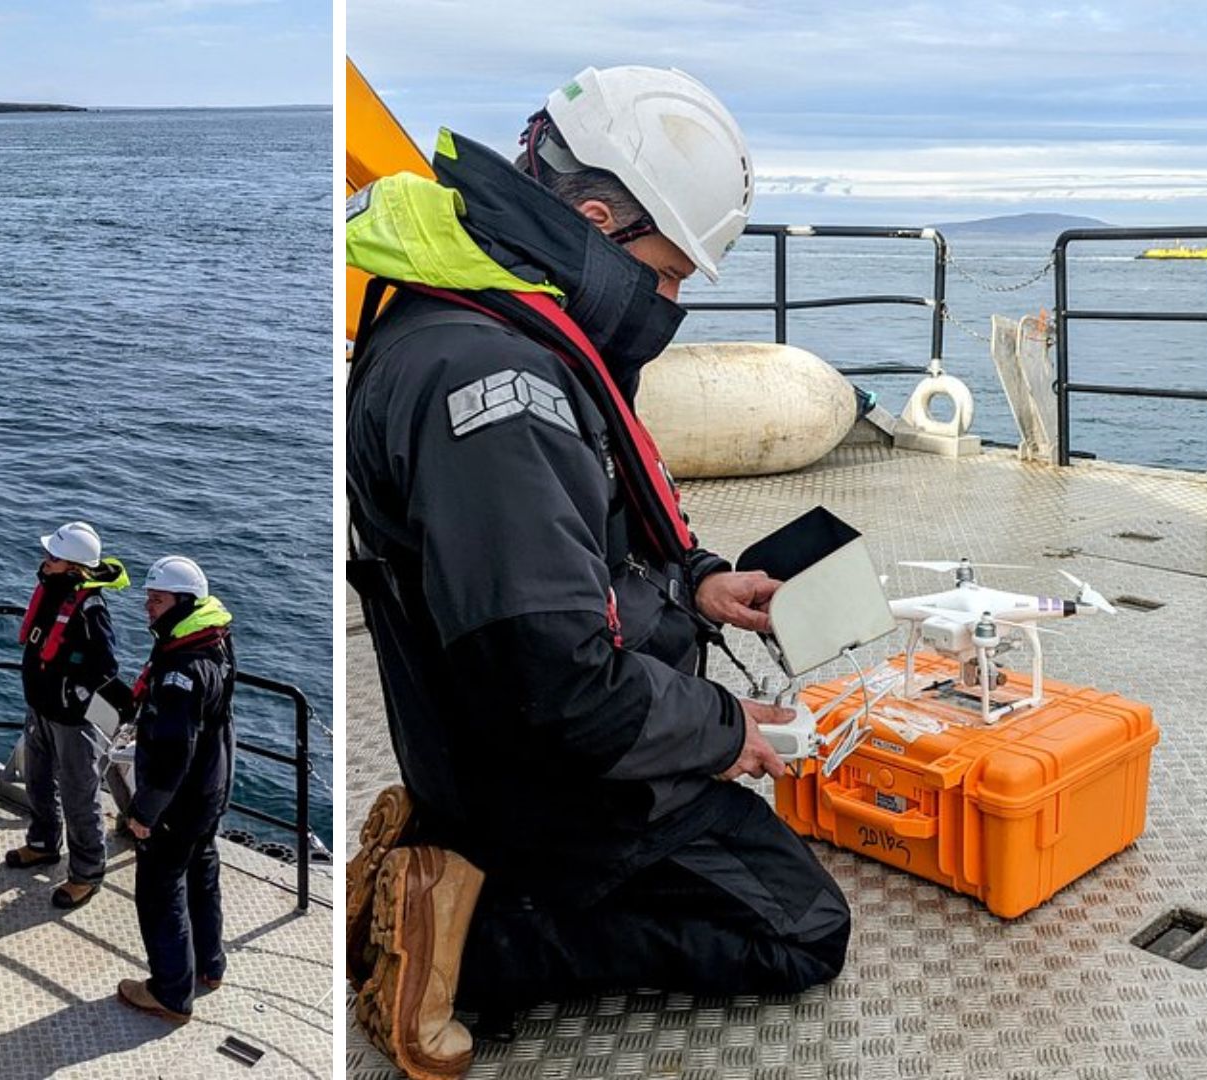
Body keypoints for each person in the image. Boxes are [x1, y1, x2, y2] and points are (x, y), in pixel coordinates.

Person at [344, 65, 852, 1078]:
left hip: (499, 742)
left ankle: (451, 853)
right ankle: (465, 940)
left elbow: (576, 538)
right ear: (591, 220)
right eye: (665, 277)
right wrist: (725, 732)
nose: (668, 305)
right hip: (554, 780)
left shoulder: (483, 315)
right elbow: (554, 683)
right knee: (802, 927)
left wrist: (698, 578)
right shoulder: (497, 383)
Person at [115, 555, 237, 1025]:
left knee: (160, 890)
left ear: (183, 603)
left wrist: (143, 813)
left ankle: (169, 992)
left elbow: (170, 755)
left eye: (158, 600)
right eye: (148, 598)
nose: (148, 608)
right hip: (212, 786)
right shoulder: (216, 642)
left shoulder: (178, 673)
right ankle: (210, 965)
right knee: (202, 874)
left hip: (180, 801)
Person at [5, 520, 128, 910]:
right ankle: (42, 843)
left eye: (53, 557)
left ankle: (87, 873)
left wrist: (74, 690)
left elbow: (105, 664)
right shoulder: (53, 590)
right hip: (40, 706)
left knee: (79, 794)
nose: (45, 560)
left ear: (73, 567)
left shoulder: (90, 609)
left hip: (72, 718)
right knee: (38, 780)